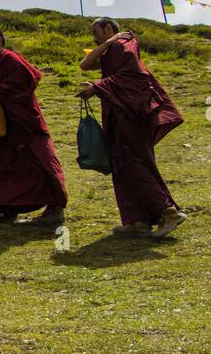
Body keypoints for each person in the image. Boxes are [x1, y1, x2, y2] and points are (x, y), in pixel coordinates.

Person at [77, 18, 186, 238]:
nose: (93, 37)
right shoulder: (113, 46)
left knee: (133, 163)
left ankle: (168, 212)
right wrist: (107, 43)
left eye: (96, 32)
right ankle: (138, 220)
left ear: (108, 28)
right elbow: (85, 64)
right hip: (120, 115)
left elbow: (132, 77)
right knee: (120, 164)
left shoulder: (124, 45)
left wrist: (97, 87)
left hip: (132, 115)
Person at [0, 28, 68, 226]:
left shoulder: (11, 59)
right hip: (11, 126)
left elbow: (27, 81)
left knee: (42, 165)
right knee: (0, 166)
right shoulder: (1, 62)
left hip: (26, 124)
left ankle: (55, 209)